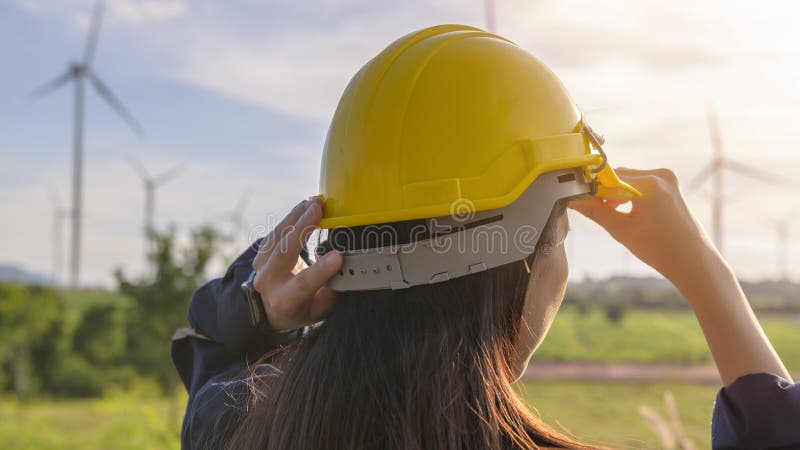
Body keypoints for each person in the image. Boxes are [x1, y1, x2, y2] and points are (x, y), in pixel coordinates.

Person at [172, 25, 800, 449]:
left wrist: (256, 312)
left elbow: (210, 348)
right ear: (527, 255)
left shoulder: (238, 422)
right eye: (561, 235)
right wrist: (708, 277)